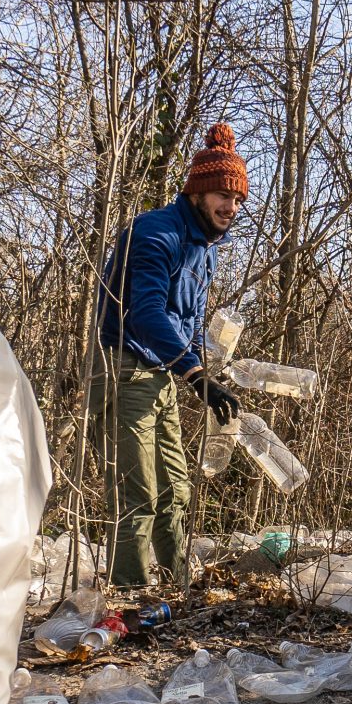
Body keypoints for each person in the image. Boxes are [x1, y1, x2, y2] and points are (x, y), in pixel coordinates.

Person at [90, 123, 248, 589]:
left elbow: (190, 321)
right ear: (198, 193)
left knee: (176, 487)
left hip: (162, 373)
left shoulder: (206, 249)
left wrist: (207, 365)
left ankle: (178, 588)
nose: (231, 208)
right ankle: (131, 593)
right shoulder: (155, 233)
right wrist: (195, 372)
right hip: (124, 366)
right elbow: (145, 313)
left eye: (237, 200)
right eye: (223, 195)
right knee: (138, 490)